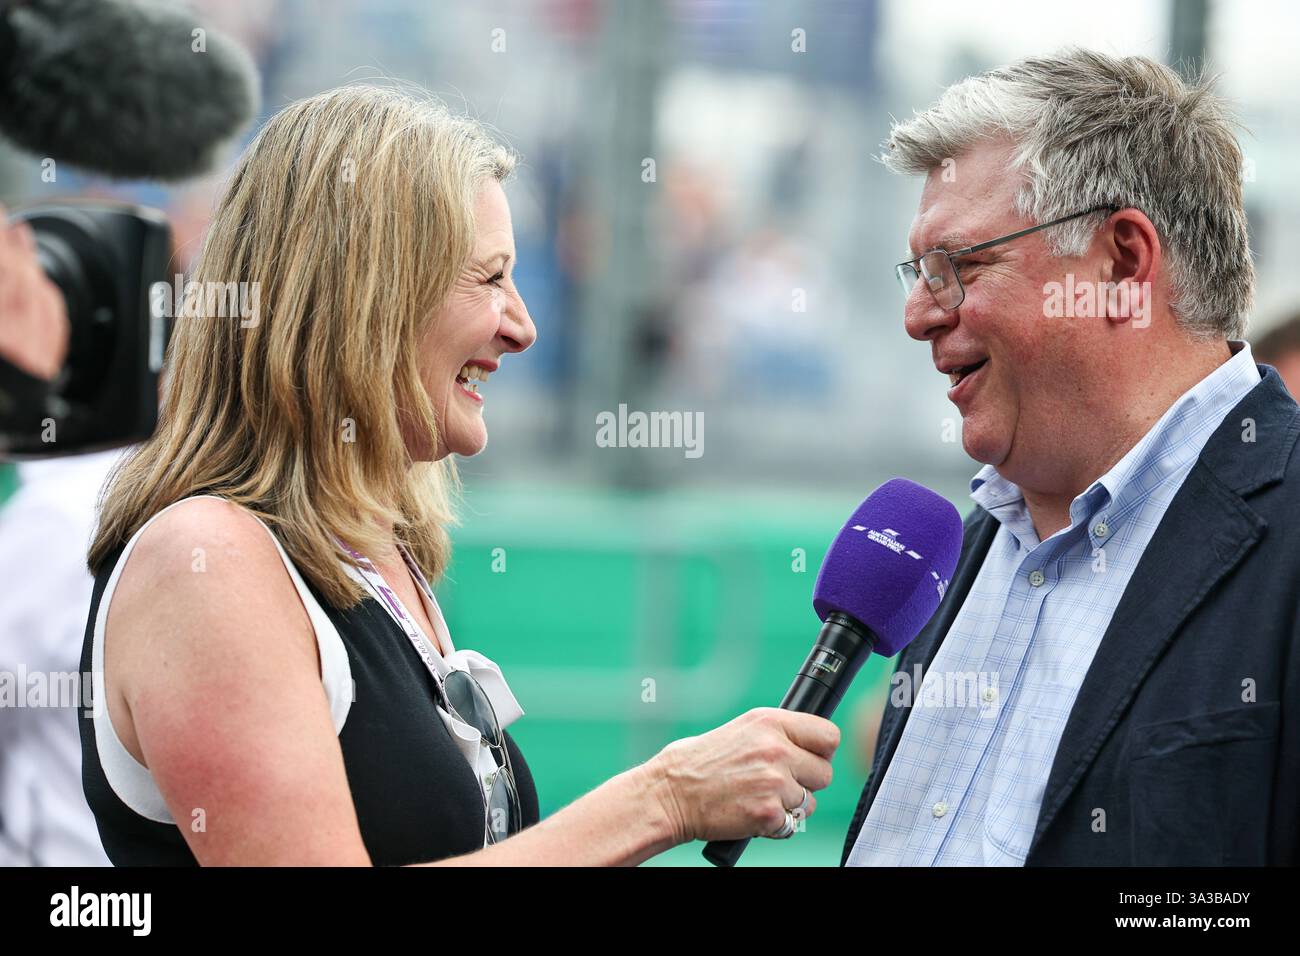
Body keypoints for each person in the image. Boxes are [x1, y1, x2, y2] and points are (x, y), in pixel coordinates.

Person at [80, 86, 838, 866]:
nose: (522, 325)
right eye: (488, 279)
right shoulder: (204, 560)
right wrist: (664, 799)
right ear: (364, 296)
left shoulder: (370, 553)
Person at [844, 49, 1297, 866]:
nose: (917, 315)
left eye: (959, 266)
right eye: (919, 272)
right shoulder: (971, 544)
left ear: (1122, 264)